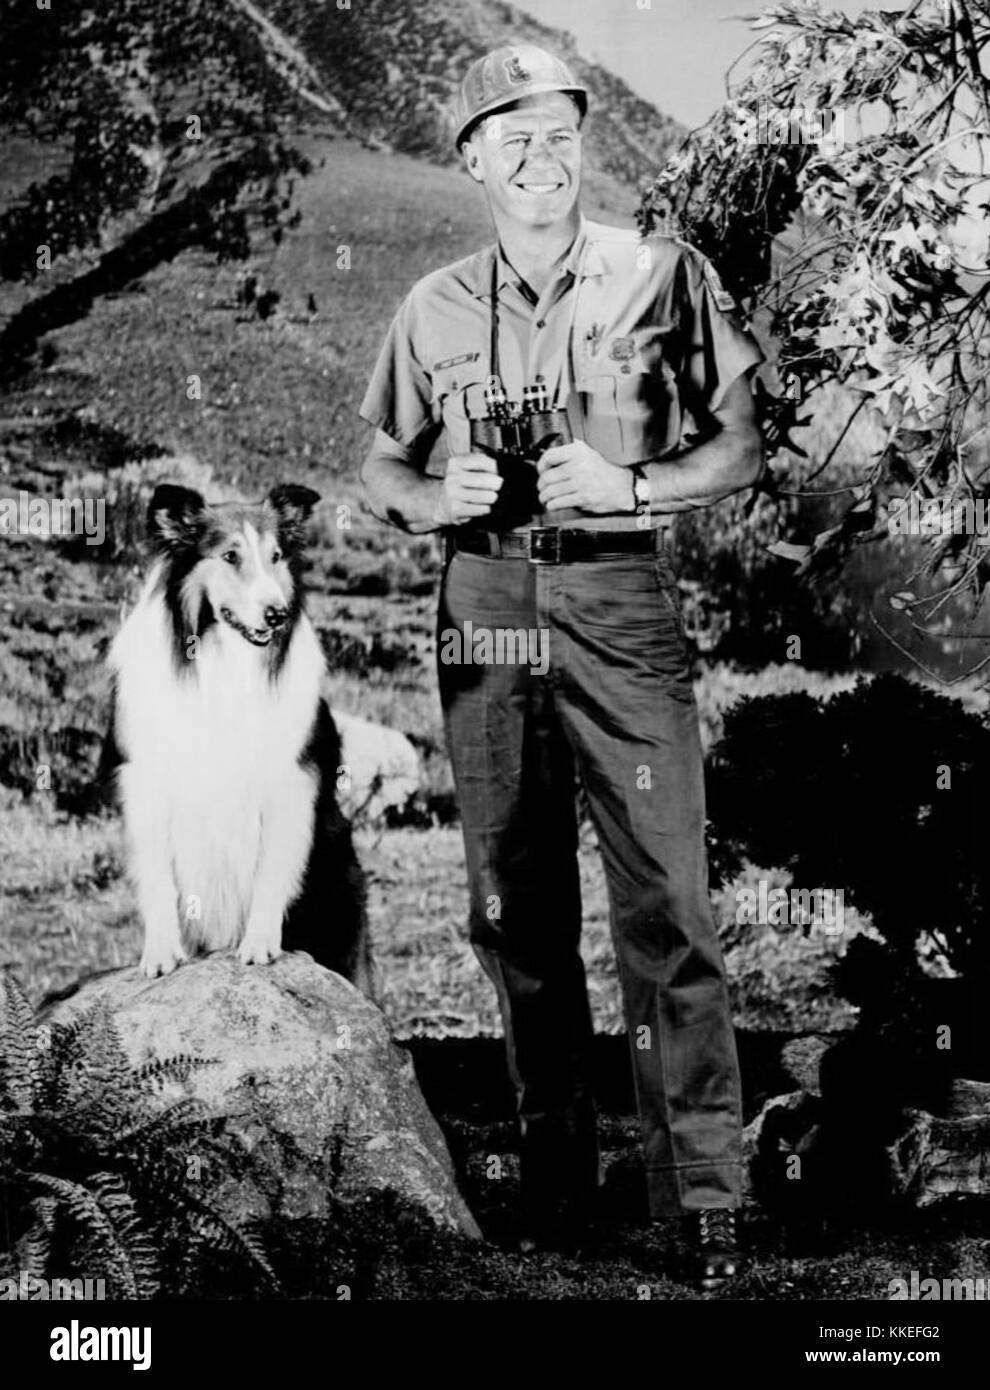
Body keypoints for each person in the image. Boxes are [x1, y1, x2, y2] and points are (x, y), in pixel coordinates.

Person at [359, 43, 765, 1289]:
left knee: (668, 906)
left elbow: (741, 449)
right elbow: (380, 470)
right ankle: (552, 1174)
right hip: (482, 592)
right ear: (473, 155)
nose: (544, 156)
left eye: (562, 131)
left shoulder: (660, 275)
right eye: (514, 135)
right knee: (511, 904)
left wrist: (633, 482)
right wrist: (438, 495)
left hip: (615, 592)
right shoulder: (429, 306)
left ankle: (703, 1194)